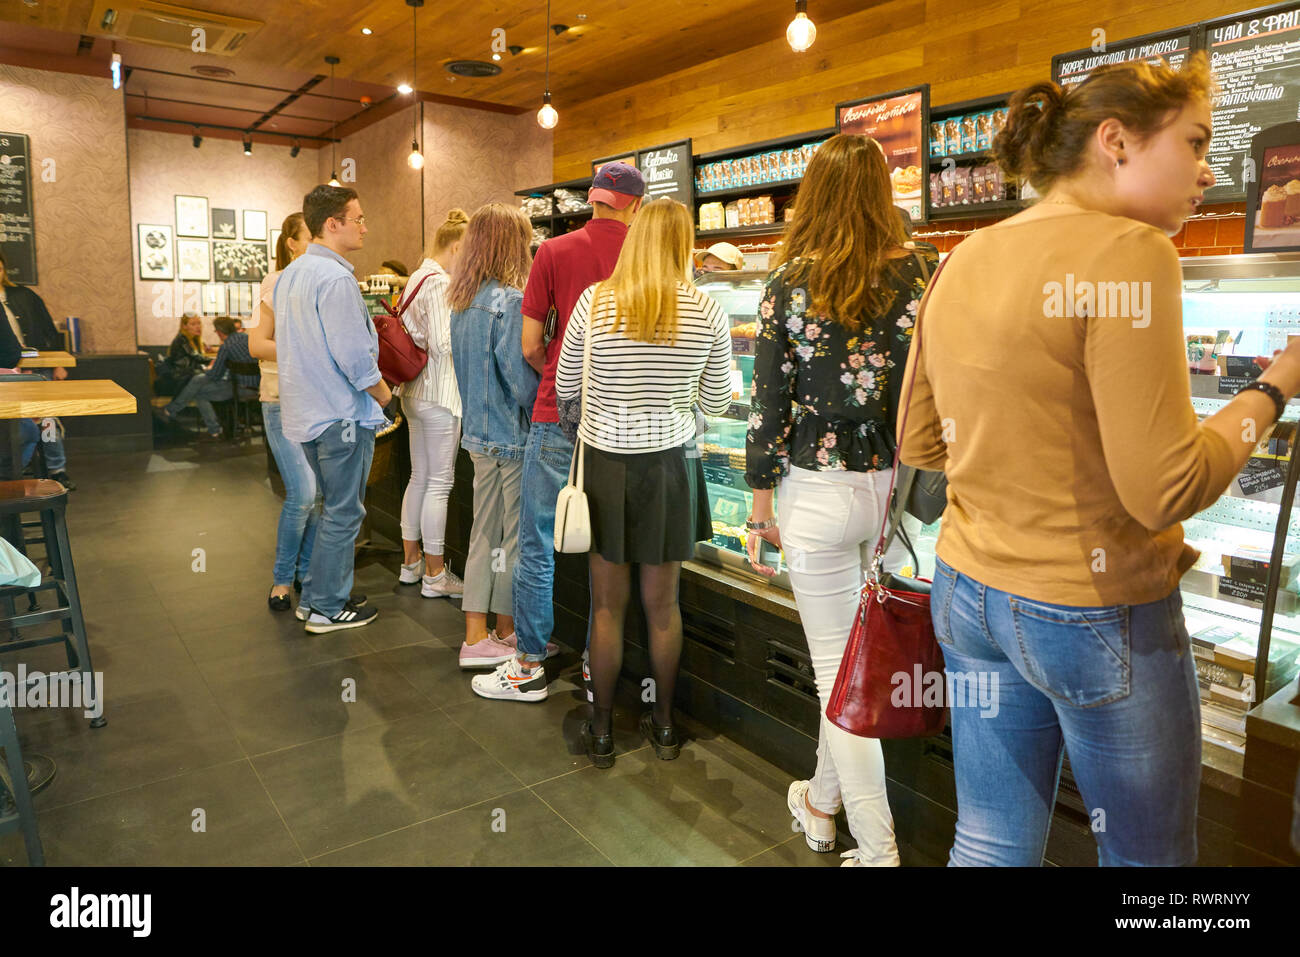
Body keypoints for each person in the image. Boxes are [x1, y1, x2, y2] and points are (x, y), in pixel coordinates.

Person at [897, 53, 1300, 866]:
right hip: (1093, 611)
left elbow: (918, 442)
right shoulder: (1131, 252)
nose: (1208, 169)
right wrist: (1276, 385)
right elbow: (1167, 489)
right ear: (1115, 140)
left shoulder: (962, 255)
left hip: (968, 595)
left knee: (989, 839)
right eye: (1193, 142)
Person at [743, 133, 935, 867]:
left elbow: (767, 405)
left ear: (813, 196)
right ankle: (820, 805)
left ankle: (879, 847)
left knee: (838, 671)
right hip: (894, 490)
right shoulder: (924, 273)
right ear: (885, 192)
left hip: (815, 490)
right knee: (859, 662)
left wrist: (759, 505)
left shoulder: (790, 281)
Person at [554, 197, 732, 767]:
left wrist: (605, 412)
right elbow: (717, 399)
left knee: (606, 607)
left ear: (634, 240)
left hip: (605, 464)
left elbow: (565, 389)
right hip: (670, 469)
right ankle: (662, 727)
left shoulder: (595, 301)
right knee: (663, 606)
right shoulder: (705, 309)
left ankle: (602, 731)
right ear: (682, 245)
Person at [479, 161, 644, 704]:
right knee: (610, 550)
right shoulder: (649, 258)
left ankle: (529, 664)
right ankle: (603, 666)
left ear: (592, 200)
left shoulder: (551, 252)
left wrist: (555, 366)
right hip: (623, 420)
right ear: (636, 205)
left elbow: (529, 344)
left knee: (537, 543)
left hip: (557, 410)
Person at [276, 185, 391, 634]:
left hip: (306, 413)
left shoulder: (292, 275)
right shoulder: (337, 279)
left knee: (330, 508)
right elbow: (354, 357)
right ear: (332, 224)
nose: (364, 226)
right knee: (345, 511)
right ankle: (325, 607)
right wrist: (387, 397)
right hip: (339, 414)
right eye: (357, 218)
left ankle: (319, 596)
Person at [448, 204, 540, 668]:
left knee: (484, 534)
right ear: (511, 244)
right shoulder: (509, 300)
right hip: (512, 437)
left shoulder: (463, 301)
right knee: (514, 541)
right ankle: (505, 631)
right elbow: (520, 381)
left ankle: (477, 635)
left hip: (478, 437)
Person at [248, 212, 322, 614]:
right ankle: (281, 577)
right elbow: (257, 345)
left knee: (319, 495)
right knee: (303, 492)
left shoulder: (321, 282)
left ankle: (308, 577)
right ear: (291, 243)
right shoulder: (275, 282)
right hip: (281, 399)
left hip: (317, 402)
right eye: (309, 237)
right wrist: (309, 348)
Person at [397, 209, 469, 599]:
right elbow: (444, 343)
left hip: (413, 393)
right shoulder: (440, 282)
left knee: (419, 478)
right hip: (441, 394)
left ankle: (411, 563)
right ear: (457, 247)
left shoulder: (416, 277)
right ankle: (436, 574)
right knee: (440, 484)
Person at [0, 248, 75, 488]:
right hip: (8, 372)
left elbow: (48, 332)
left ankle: (56, 467)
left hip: (33, 367)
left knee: (48, 417)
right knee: (18, 426)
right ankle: (13, 476)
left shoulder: (24, 295)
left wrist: (57, 363)